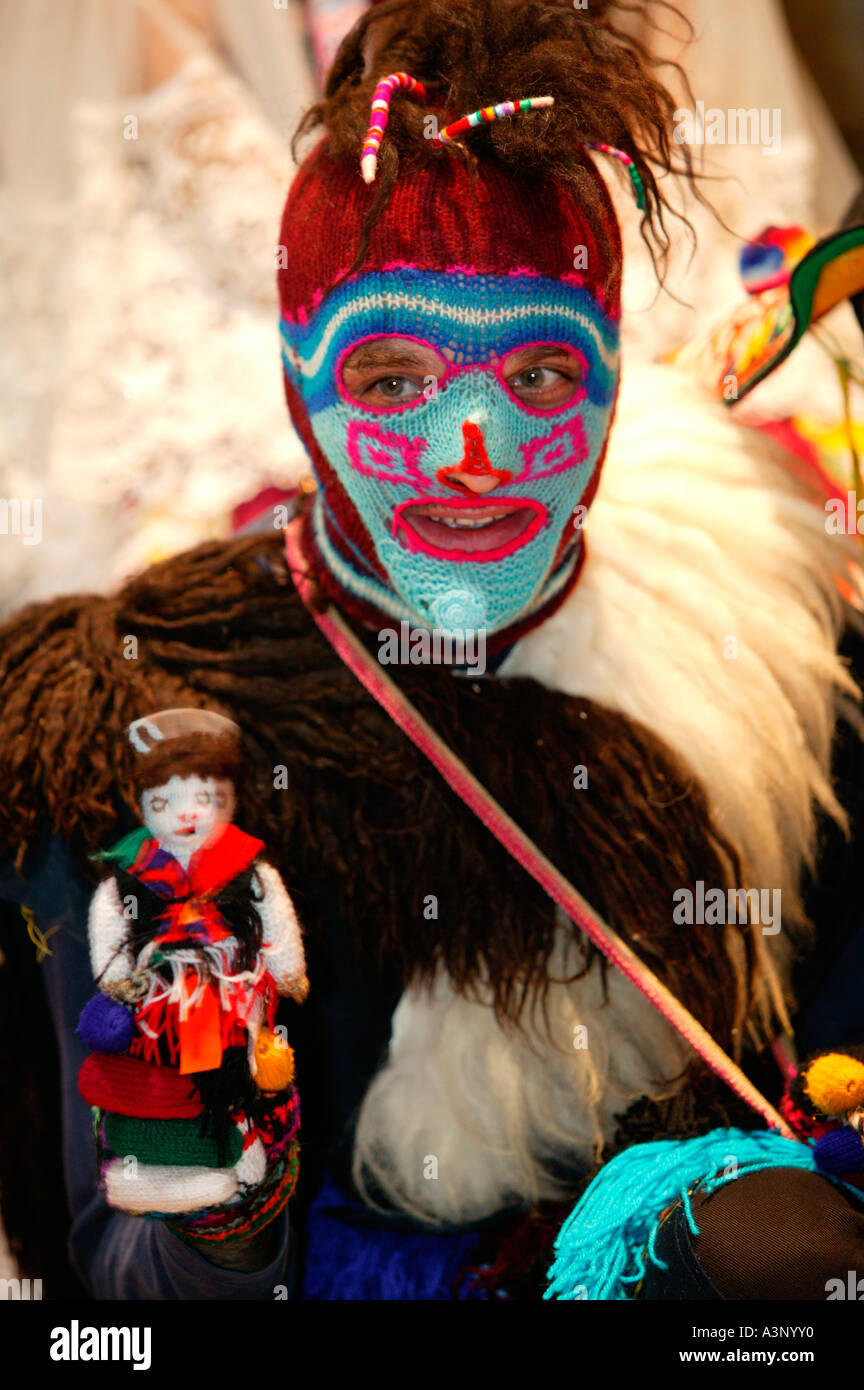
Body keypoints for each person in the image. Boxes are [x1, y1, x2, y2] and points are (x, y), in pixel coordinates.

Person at [1, 0, 863, 1300]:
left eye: (537, 376)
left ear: (617, 379)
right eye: (395, 375)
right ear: (297, 377)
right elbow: (117, 1274)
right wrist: (216, 1211)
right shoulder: (139, 743)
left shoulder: (785, 646)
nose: (476, 451)